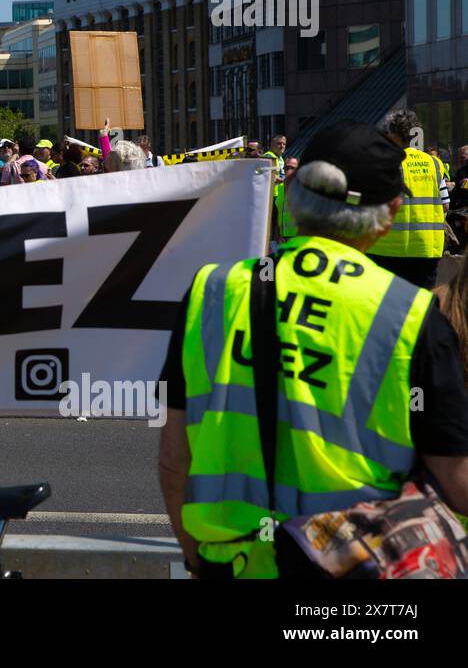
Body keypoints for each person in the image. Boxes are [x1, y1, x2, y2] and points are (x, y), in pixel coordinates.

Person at [158, 119, 468, 579]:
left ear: (296, 196)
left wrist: (197, 560)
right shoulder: (409, 314)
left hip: (234, 564)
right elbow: (456, 479)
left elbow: (173, 459)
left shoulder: (212, 292)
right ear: (391, 212)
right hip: (354, 567)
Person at [366, 109, 446, 289]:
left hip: (388, 249)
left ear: (393, 134)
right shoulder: (434, 163)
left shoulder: (383, 161)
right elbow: (444, 202)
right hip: (427, 248)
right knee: (421, 309)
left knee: (388, 309)